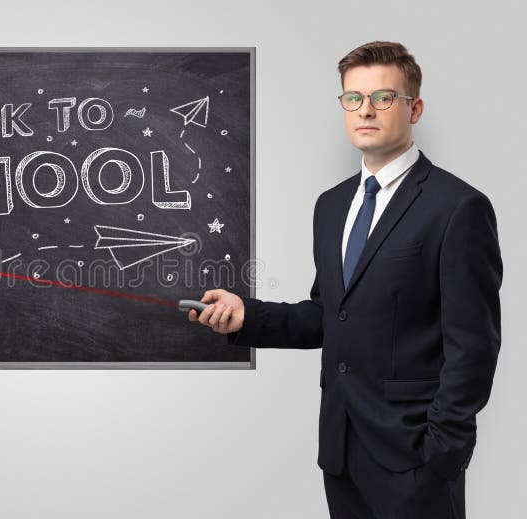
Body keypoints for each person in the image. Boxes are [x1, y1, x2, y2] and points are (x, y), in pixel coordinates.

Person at [189, 41, 503, 519]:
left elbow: (474, 345)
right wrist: (245, 316)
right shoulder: (331, 205)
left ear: (413, 108)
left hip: (415, 456)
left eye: (384, 98)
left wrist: (442, 452)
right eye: (353, 98)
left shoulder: (457, 207)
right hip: (340, 449)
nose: (366, 110)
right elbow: (330, 314)